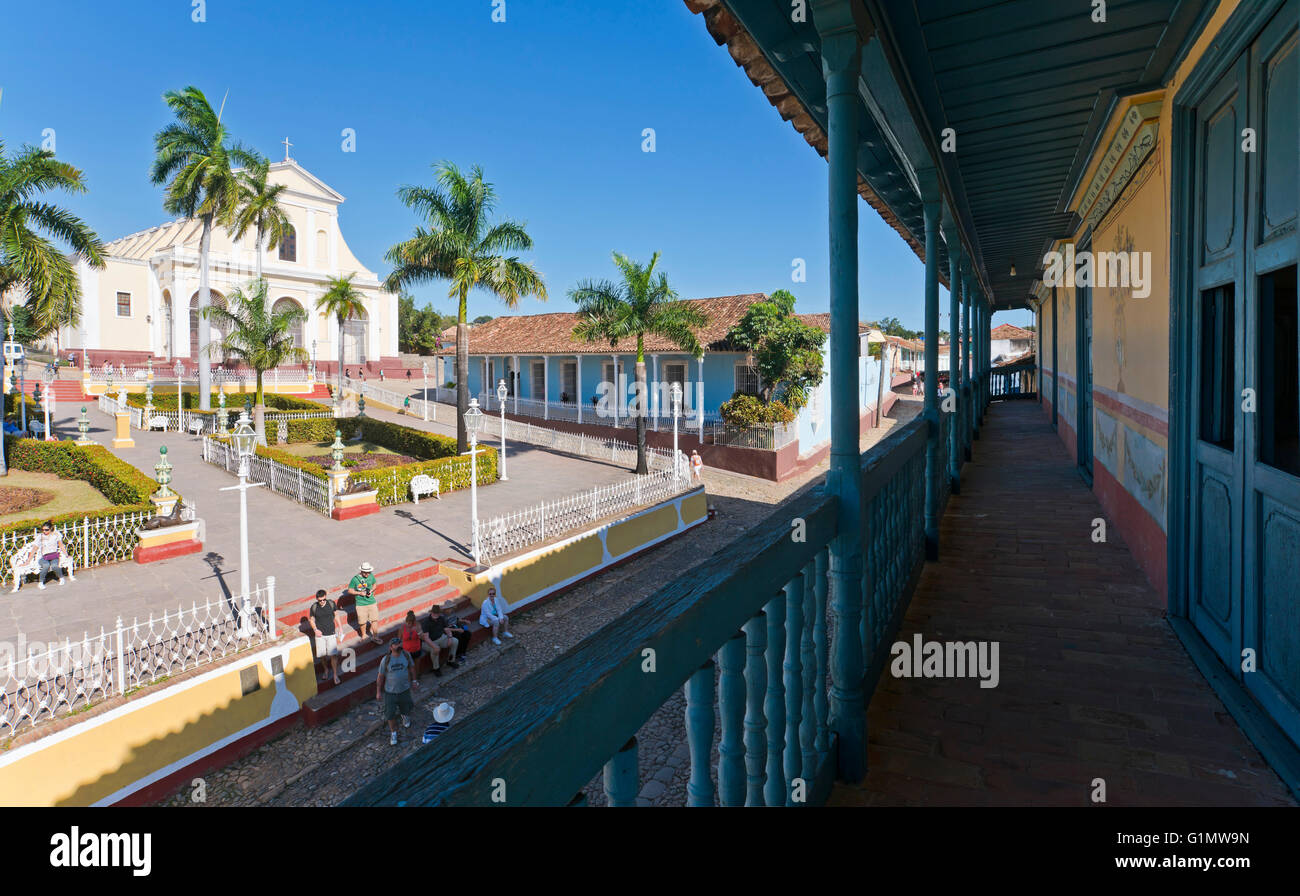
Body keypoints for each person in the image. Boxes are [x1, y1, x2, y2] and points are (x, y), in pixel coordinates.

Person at [376, 637, 418, 746]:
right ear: (390, 647)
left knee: (406, 708)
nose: (398, 646)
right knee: (390, 714)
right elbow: (380, 677)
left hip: (404, 690)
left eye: (399, 643)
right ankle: (393, 732)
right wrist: (378, 692)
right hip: (390, 692)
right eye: (395, 644)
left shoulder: (406, 655)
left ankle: (405, 716)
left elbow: (412, 668)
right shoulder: (386, 660)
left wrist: (414, 681)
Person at [310, 589, 345, 684]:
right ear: (317, 599)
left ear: (326, 597)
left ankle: (335, 674)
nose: (322, 602)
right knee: (322, 655)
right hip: (320, 635)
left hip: (331, 633)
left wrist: (340, 628)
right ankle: (326, 670)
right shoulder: (314, 607)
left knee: (333, 655)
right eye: (320, 600)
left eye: (323, 599)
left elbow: (336, 615)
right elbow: (312, 620)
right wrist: (315, 630)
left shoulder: (331, 604)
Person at [399, 609, 449, 677]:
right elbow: (399, 639)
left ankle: (416, 677)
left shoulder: (418, 625)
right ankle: (409, 679)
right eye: (407, 623)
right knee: (408, 666)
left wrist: (418, 632)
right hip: (407, 651)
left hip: (416, 649)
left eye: (410, 623)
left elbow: (423, 638)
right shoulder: (402, 627)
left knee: (417, 665)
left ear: (414, 622)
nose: (409, 625)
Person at [346, 561, 381, 645]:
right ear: (361, 571)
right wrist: (359, 593)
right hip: (360, 604)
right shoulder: (355, 579)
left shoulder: (371, 576)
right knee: (362, 621)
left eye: (369, 572)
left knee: (374, 619)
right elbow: (350, 590)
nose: (367, 574)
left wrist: (371, 591)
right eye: (365, 572)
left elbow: (375, 584)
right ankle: (364, 635)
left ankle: (375, 636)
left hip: (371, 602)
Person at [33, 521, 66, 590]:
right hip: (44, 557)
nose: (44, 531)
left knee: (54, 565)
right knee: (46, 565)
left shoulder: (55, 535)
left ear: (51, 529)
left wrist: (66, 555)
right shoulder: (40, 537)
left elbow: (61, 546)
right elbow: (34, 548)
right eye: (43, 530)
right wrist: (27, 561)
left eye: (46, 530)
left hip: (54, 555)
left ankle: (61, 577)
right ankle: (41, 582)